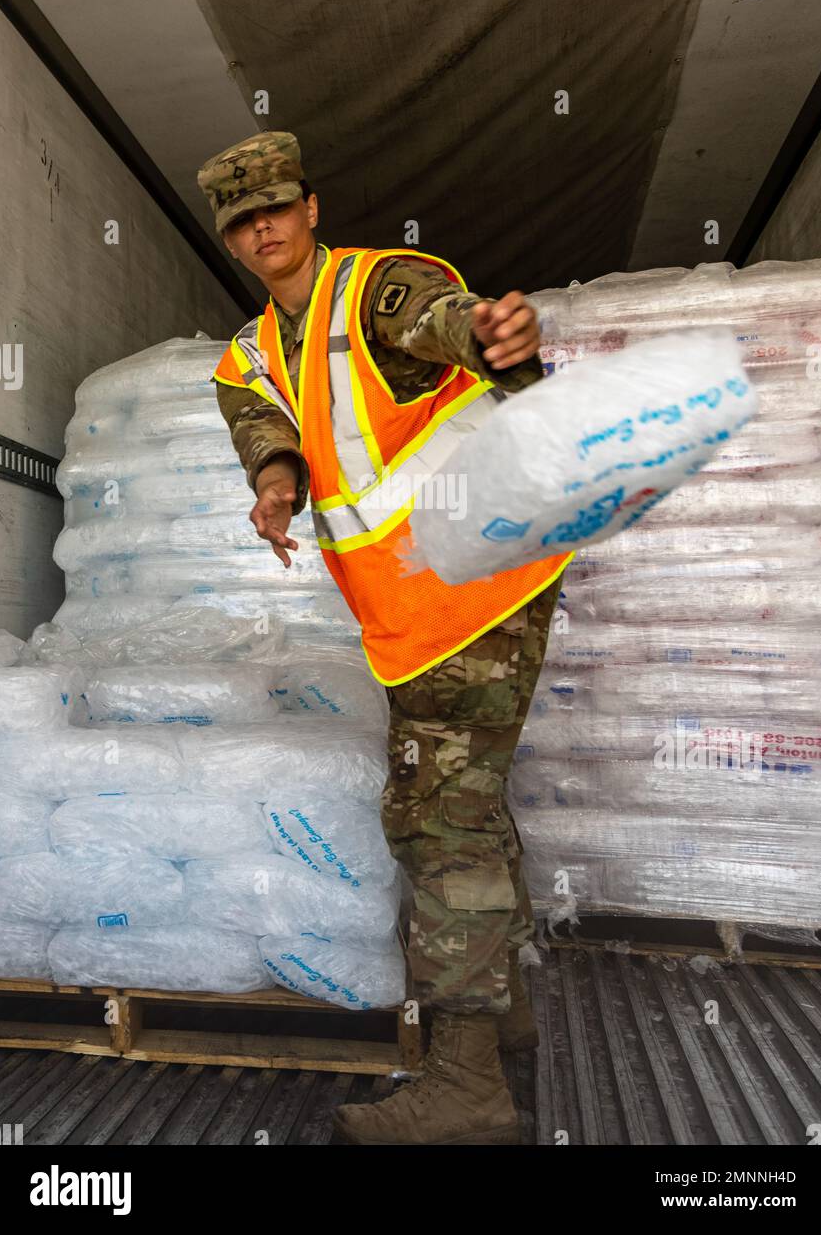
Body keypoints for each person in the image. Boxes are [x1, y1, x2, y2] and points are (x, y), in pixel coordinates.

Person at [198, 132, 572, 1145]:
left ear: (310, 208)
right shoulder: (248, 353)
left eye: (275, 206)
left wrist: (495, 338)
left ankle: (466, 1083)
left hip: (475, 583)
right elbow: (264, 432)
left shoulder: (374, 290)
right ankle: (510, 1014)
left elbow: (446, 322)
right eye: (241, 220)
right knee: (468, 797)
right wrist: (276, 490)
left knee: (432, 817)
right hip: (418, 610)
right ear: (230, 239)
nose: (262, 227)